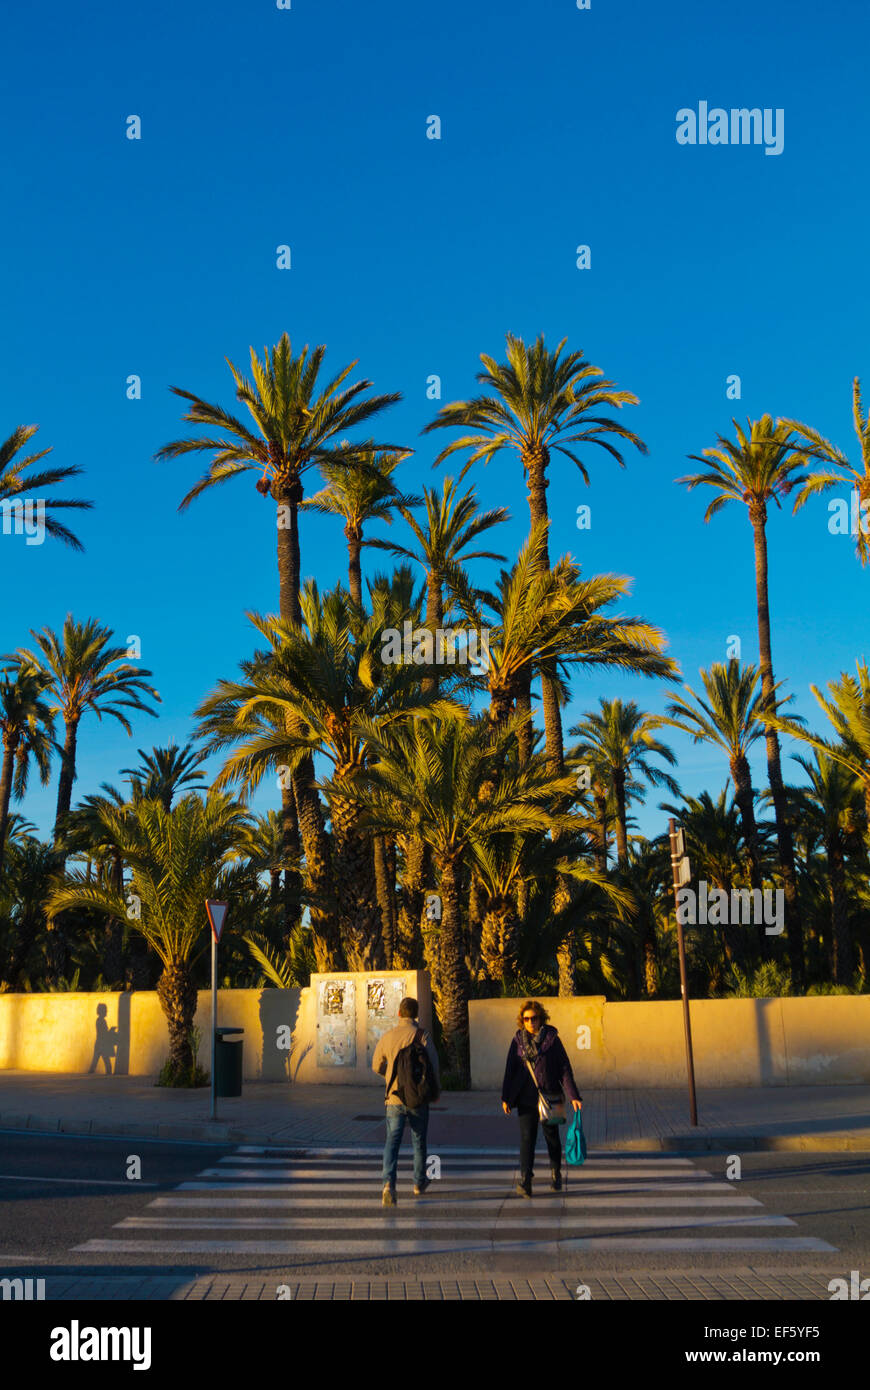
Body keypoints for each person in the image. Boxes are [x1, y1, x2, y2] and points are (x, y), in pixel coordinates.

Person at [501, 999, 581, 1197]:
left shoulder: (552, 1039)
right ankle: (525, 1180)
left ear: (541, 1019)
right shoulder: (518, 1040)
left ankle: (556, 1174)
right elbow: (510, 1068)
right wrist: (506, 1097)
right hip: (525, 1098)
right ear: (522, 1021)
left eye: (534, 1018)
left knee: (551, 1137)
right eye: (526, 1019)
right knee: (527, 1139)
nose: (530, 1023)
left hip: (549, 1095)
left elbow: (564, 1068)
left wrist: (573, 1096)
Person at [372, 996, 441, 1206]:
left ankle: (388, 1185)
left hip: (393, 1098)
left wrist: (390, 1077)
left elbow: (376, 1065)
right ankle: (419, 1183)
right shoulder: (422, 1035)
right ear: (416, 1014)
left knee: (392, 1141)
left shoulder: (388, 1036)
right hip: (418, 1098)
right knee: (419, 1141)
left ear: (399, 1013)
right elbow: (434, 1066)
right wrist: (435, 1090)